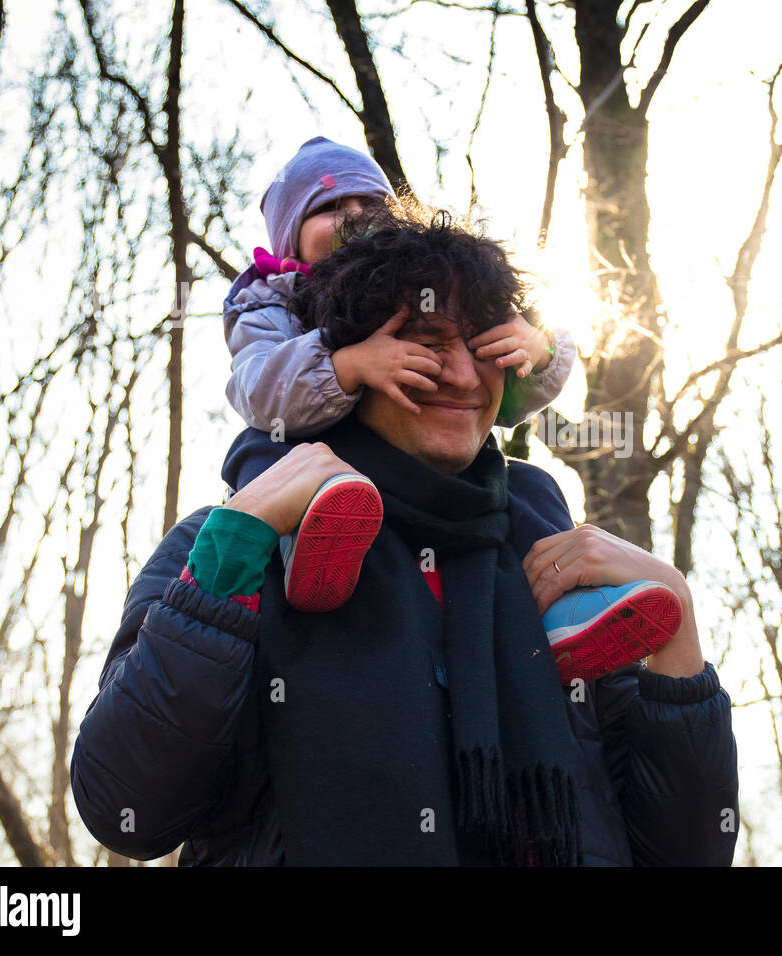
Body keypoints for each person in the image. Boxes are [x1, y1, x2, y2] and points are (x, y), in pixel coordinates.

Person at [70, 211, 739, 866]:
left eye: (483, 345)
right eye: (424, 342)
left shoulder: (563, 572)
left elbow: (687, 852)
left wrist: (676, 629)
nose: (461, 374)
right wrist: (229, 555)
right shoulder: (235, 550)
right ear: (352, 362)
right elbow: (126, 806)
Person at [223, 137, 679, 682]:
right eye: (327, 207)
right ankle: (308, 550)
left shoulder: (430, 282)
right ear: (288, 234)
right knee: (262, 451)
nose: (352, 216)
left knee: (529, 488)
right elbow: (257, 387)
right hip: (308, 454)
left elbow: (504, 391)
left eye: (369, 203)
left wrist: (539, 348)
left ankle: (563, 607)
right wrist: (349, 363)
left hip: (423, 478)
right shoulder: (267, 298)